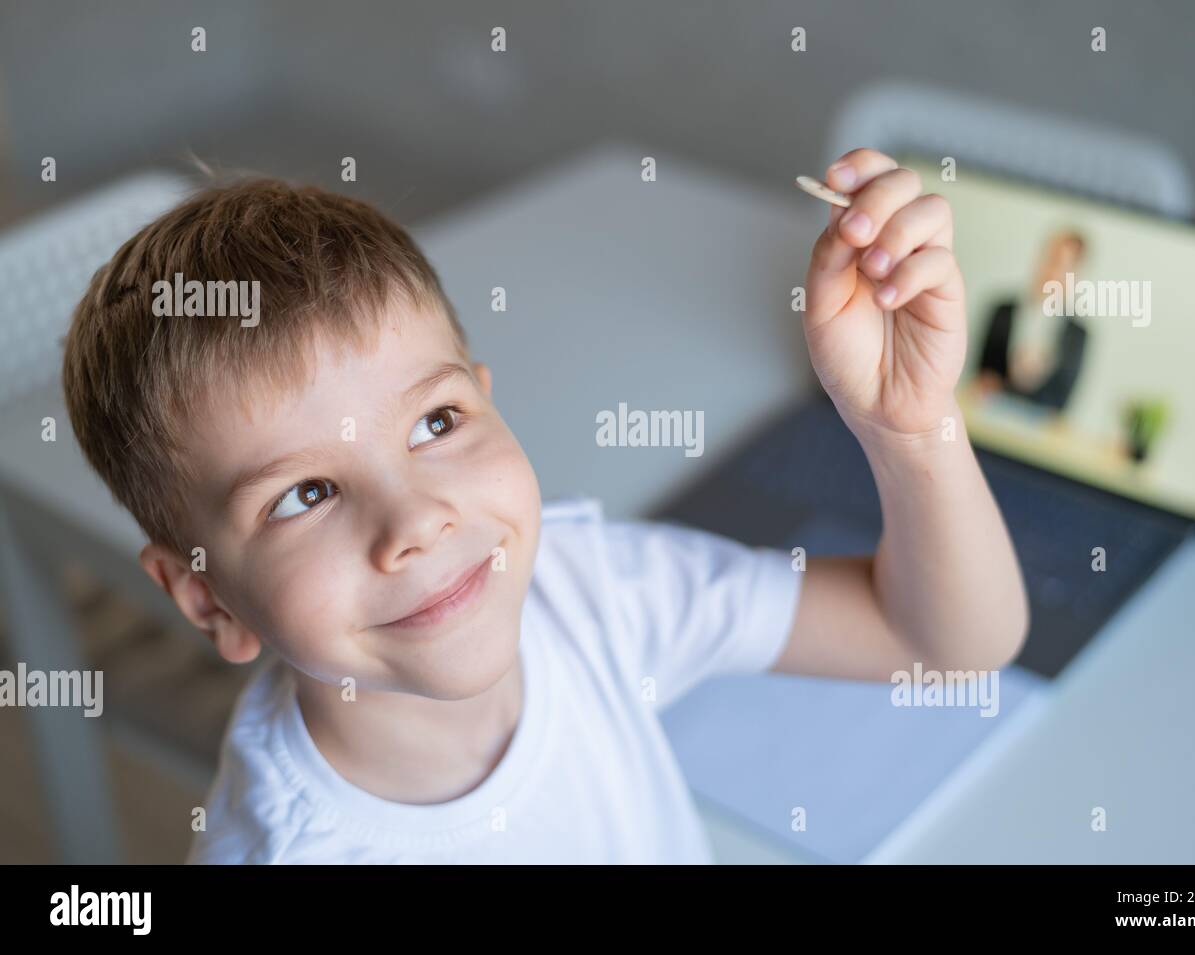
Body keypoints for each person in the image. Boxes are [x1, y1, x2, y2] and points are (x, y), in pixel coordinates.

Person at [60, 148, 1027, 863]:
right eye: (305, 494)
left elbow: (941, 643)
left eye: (436, 422)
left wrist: (910, 429)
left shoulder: (594, 589)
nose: (418, 524)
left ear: (487, 394)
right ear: (206, 599)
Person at [975, 229, 1090, 411]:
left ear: (1076, 275)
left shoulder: (1078, 335)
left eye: (1066, 267)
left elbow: (1062, 402)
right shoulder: (1002, 311)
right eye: (1052, 260)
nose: (1055, 272)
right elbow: (982, 376)